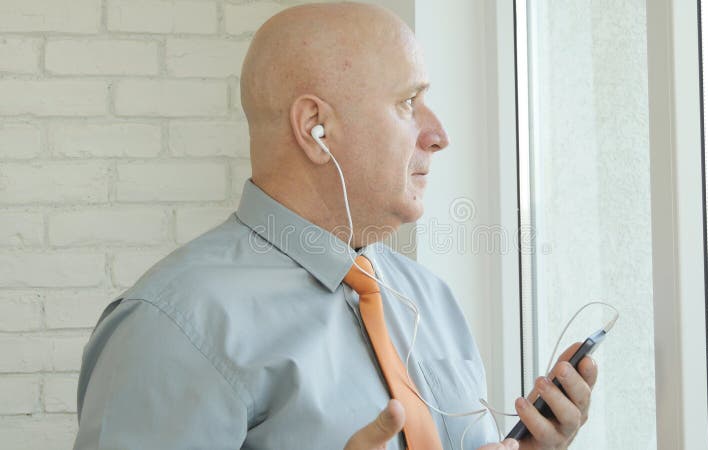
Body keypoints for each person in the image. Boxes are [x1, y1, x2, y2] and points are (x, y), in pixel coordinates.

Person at [74, 2, 597, 449]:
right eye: (407, 103)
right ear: (314, 130)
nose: (438, 134)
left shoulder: (430, 300)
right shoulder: (172, 328)